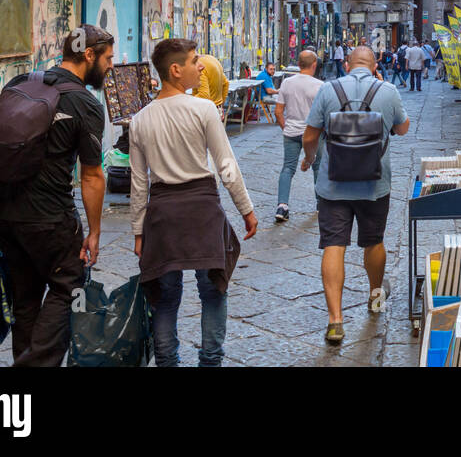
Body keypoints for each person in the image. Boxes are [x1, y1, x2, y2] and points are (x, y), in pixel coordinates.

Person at [0, 24, 114, 366]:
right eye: (108, 58)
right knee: (70, 286)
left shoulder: (20, 83)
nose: (111, 66)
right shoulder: (85, 104)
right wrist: (95, 232)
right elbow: (92, 175)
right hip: (48, 218)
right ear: (89, 55)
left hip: (2, 212)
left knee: (25, 296)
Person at [131, 39, 258, 367]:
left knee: (166, 297)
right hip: (202, 210)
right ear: (175, 71)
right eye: (194, 61)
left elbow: (138, 183)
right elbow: (226, 165)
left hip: (162, 215)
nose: (201, 66)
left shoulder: (140, 119)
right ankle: (210, 362)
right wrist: (246, 209)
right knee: (213, 291)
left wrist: (137, 231)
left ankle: (167, 363)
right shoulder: (203, 110)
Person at [301, 46, 409, 343]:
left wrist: (311, 158)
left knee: (334, 245)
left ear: (347, 65)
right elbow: (403, 128)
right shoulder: (387, 90)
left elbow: (309, 135)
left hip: (333, 184)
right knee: (374, 242)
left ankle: (335, 321)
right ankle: (375, 299)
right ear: (375, 66)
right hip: (375, 185)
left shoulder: (327, 90)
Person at [273, 50, 323, 222]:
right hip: (314, 133)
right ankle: (320, 203)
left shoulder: (287, 83)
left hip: (291, 132)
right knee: (318, 166)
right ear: (314, 65)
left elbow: (278, 111)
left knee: (287, 168)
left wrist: (286, 128)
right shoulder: (320, 86)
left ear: (298, 64)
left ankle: (282, 205)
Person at [192, 52, 230, 119]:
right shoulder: (211, 59)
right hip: (217, 110)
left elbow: (204, 95)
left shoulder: (199, 67)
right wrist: (221, 104)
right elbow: (226, 83)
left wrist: (185, 100)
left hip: (206, 112)